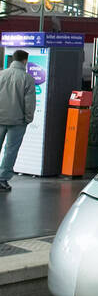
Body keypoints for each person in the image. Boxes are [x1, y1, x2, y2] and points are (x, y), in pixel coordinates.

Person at [0, 49, 36, 192]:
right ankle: (2, 179)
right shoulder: (27, 78)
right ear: (25, 61)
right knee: (10, 150)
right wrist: (28, 119)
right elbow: (29, 102)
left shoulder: (1, 74)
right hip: (17, 120)